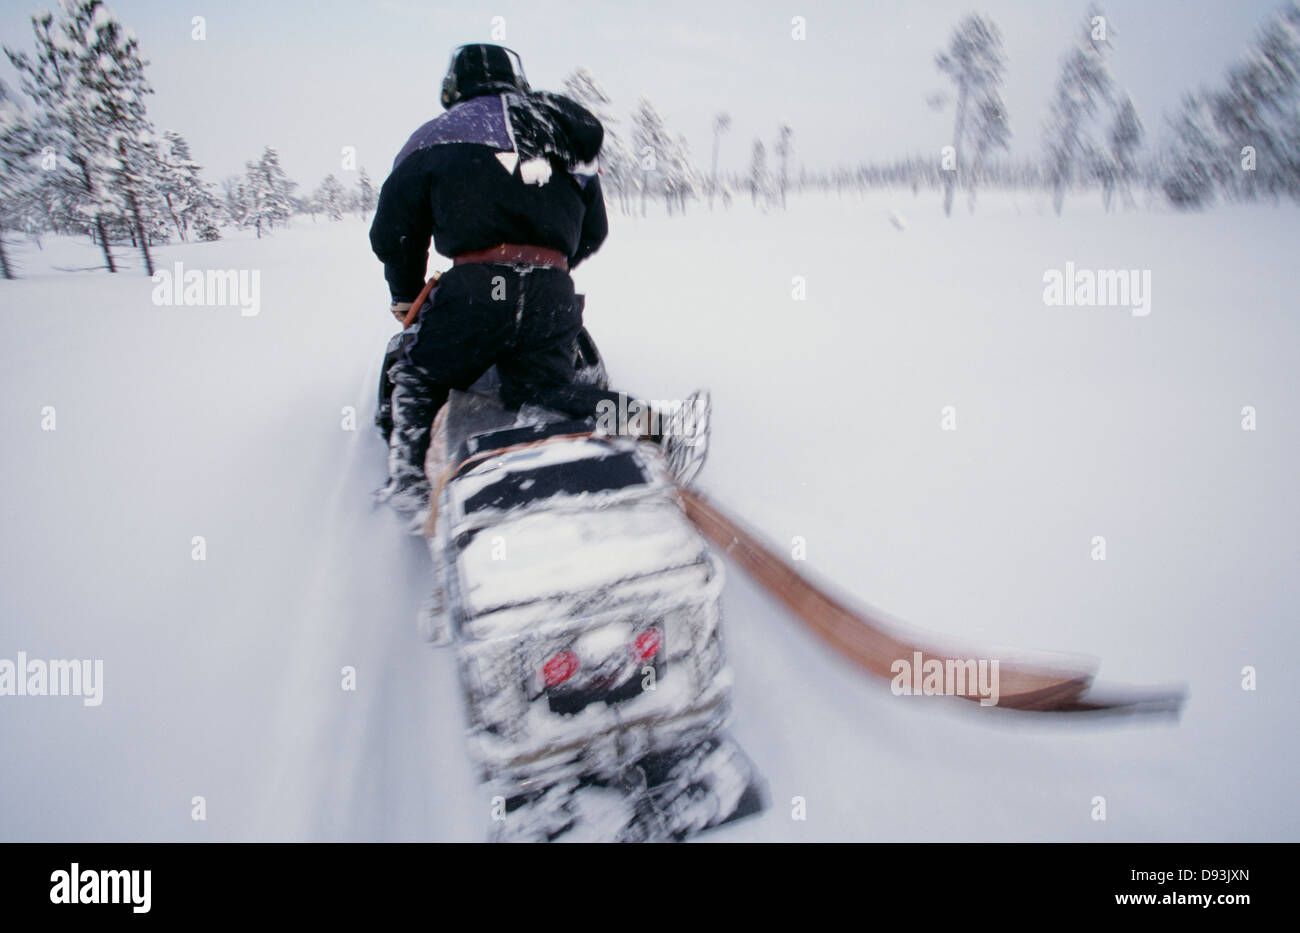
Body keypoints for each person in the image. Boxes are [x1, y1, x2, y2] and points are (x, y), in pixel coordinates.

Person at [370, 44, 703, 518]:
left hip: (474, 291)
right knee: (546, 389)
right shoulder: (558, 134)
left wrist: (407, 296)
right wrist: (545, 267)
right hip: (552, 293)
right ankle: (646, 423)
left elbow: (394, 234)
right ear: (517, 80)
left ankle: (408, 480)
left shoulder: (433, 137)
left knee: (421, 375)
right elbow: (594, 231)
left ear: (454, 87)